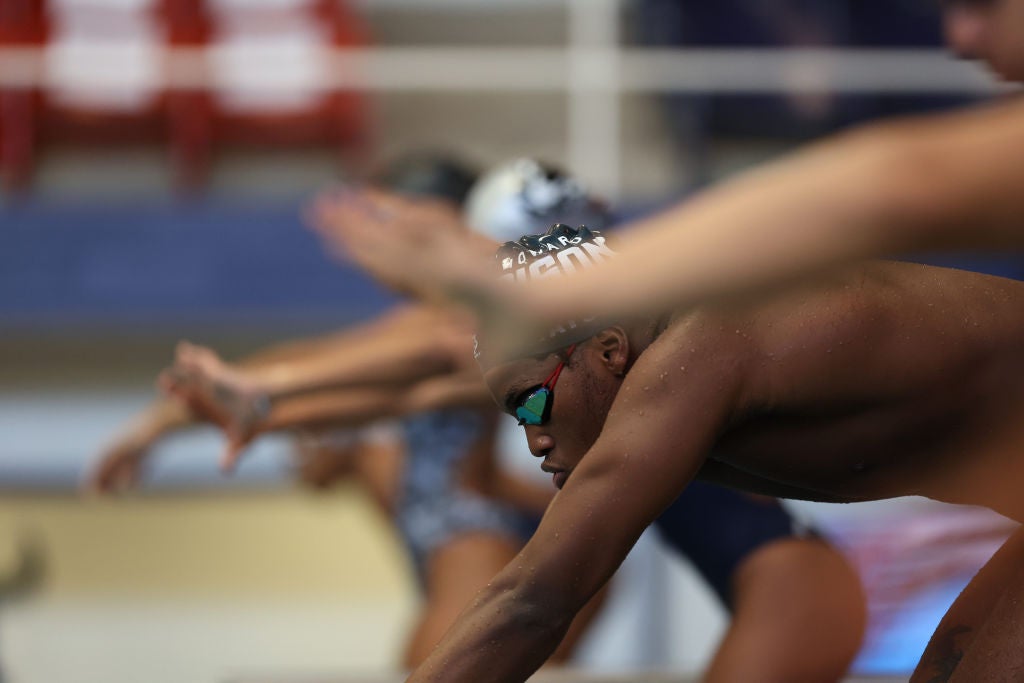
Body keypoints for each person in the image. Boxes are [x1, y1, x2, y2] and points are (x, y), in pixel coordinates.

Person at [151, 160, 865, 680]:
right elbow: (410, 388)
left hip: (792, 591)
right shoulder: (625, 367)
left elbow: (425, 364)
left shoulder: (644, 361)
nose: (533, 432)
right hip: (794, 582)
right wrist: (258, 404)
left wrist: (263, 392)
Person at [403, 224, 1024, 683]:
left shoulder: (695, 355)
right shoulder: (682, 354)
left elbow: (533, 599)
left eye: (530, 404)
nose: (532, 438)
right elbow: (425, 366)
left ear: (610, 351)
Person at [312, 1, 1024, 360]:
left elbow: (894, 182)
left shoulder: (648, 339)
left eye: (982, 3)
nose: (956, 38)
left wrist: (545, 287)